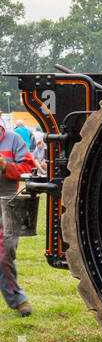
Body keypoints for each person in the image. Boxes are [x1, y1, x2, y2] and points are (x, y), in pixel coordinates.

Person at [0, 122, 35, 317]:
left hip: (7, 204)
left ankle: (17, 298)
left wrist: (6, 166)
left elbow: (28, 169)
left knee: (4, 254)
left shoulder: (14, 139)